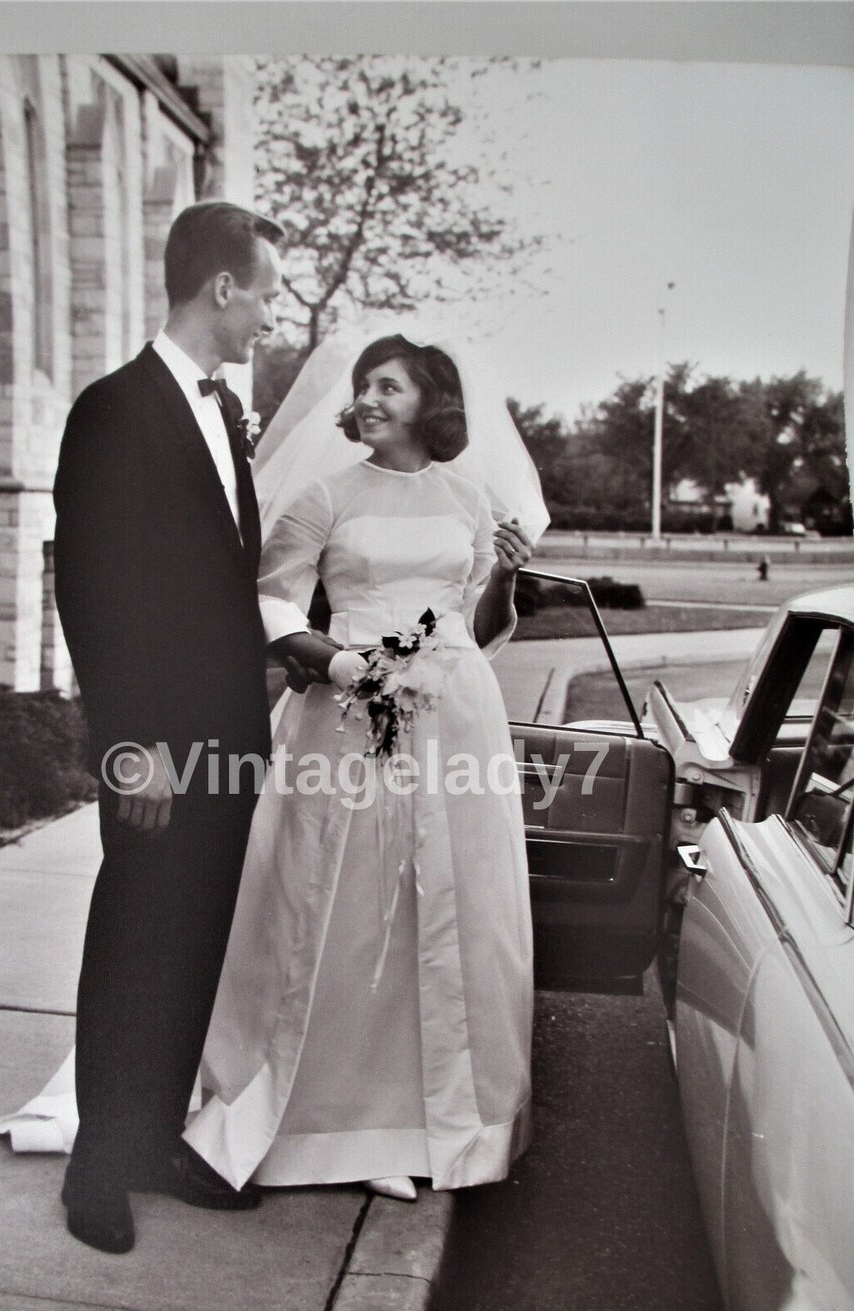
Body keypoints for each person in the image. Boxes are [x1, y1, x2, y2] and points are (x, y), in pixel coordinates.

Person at [181, 334, 541, 1201]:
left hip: (454, 715)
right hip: (345, 712)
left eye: (390, 385)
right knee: (342, 905)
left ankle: (431, 1121)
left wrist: (507, 582)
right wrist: (339, 663)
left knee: (447, 910)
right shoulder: (324, 494)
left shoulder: (470, 498)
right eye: (364, 386)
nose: (369, 399)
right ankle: (335, 1122)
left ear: (432, 400)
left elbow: (474, 615)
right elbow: (270, 599)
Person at [50, 200, 293, 1254]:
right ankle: (98, 1161)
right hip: (157, 746)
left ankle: (153, 1136)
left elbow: (215, 580)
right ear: (222, 288)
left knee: (193, 941)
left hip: (227, 738)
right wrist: (132, 741)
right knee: (135, 939)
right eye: (269, 296)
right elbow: (94, 590)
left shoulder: (226, 414)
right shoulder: (113, 408)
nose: (273, 321)